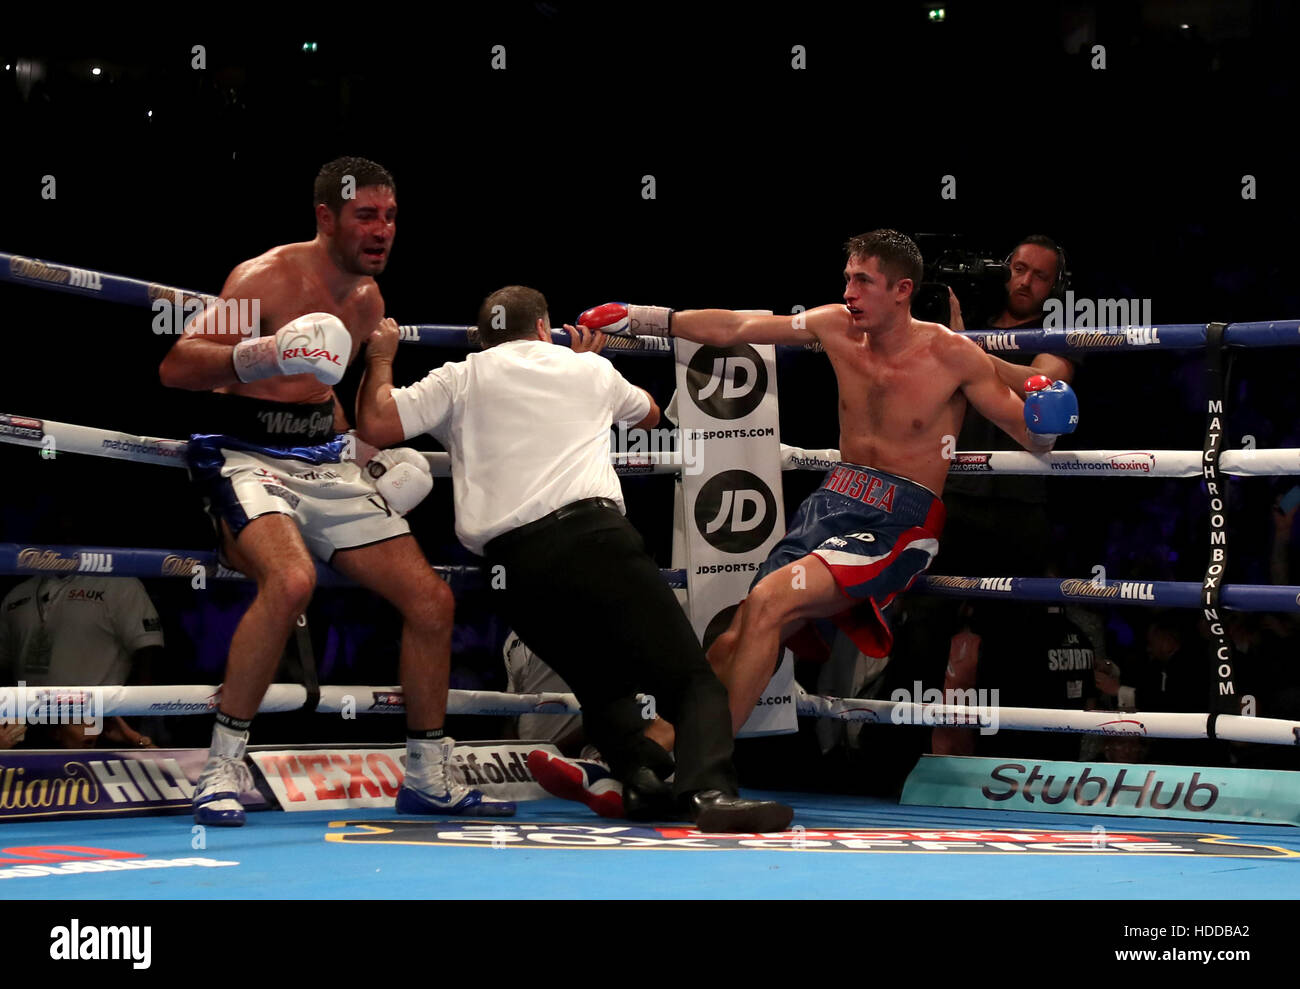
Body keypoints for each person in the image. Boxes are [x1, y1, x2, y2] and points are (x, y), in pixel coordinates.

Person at [579, 229, 1078, 732]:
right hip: (834, 499)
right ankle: (650, 756)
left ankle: (703, 770)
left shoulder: (950, 354)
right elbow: (738, 326)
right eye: (848, 279)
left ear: (902, 290)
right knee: (742, 626)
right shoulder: (835, 325)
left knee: (771, 604)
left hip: (900, 518)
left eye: (863, 281)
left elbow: (1033, 438)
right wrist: (649, 318)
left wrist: (1046, 416)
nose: (849, 293)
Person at [355, 285, 794, 832]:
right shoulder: (587, 371)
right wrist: (588, 367)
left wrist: (379, 358)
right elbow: (651, 415)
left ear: (486, 335)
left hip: (512, 569)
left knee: (602, 687)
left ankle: (642, 784)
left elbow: (374, 424)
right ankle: (711, 793)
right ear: (543, 328)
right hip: (594, 541)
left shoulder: (459, 375)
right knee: (690, 682)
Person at [158, 156, 512, 825]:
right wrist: (262, 353)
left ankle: (427, 774)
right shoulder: (262, 278)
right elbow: (177, 365)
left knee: (432, 598)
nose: (382, 230)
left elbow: (323, 394)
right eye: (366, 216)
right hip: (243, 455)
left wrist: (361, 457)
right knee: (291, 582)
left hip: (322, 461)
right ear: (327, 217)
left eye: (391, 216)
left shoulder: (368, 301)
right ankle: (222, 766)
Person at [0, 573, 162, 749]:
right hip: (26, 727)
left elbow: (148, 649)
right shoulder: (17, 594)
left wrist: (135, 726)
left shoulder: (120, 585)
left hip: (103, 723)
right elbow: (5, 665)